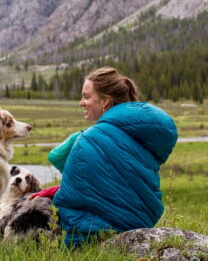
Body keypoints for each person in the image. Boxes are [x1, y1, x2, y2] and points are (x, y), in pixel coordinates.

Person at [31, 66, 178, 246]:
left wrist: (48, 197)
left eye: (86, 97)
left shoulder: (89, 140)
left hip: (96, 233)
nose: (81, 102)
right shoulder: (135, 134)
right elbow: (111, 186)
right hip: (142, 223)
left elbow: (71, 199)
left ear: (105, 102)